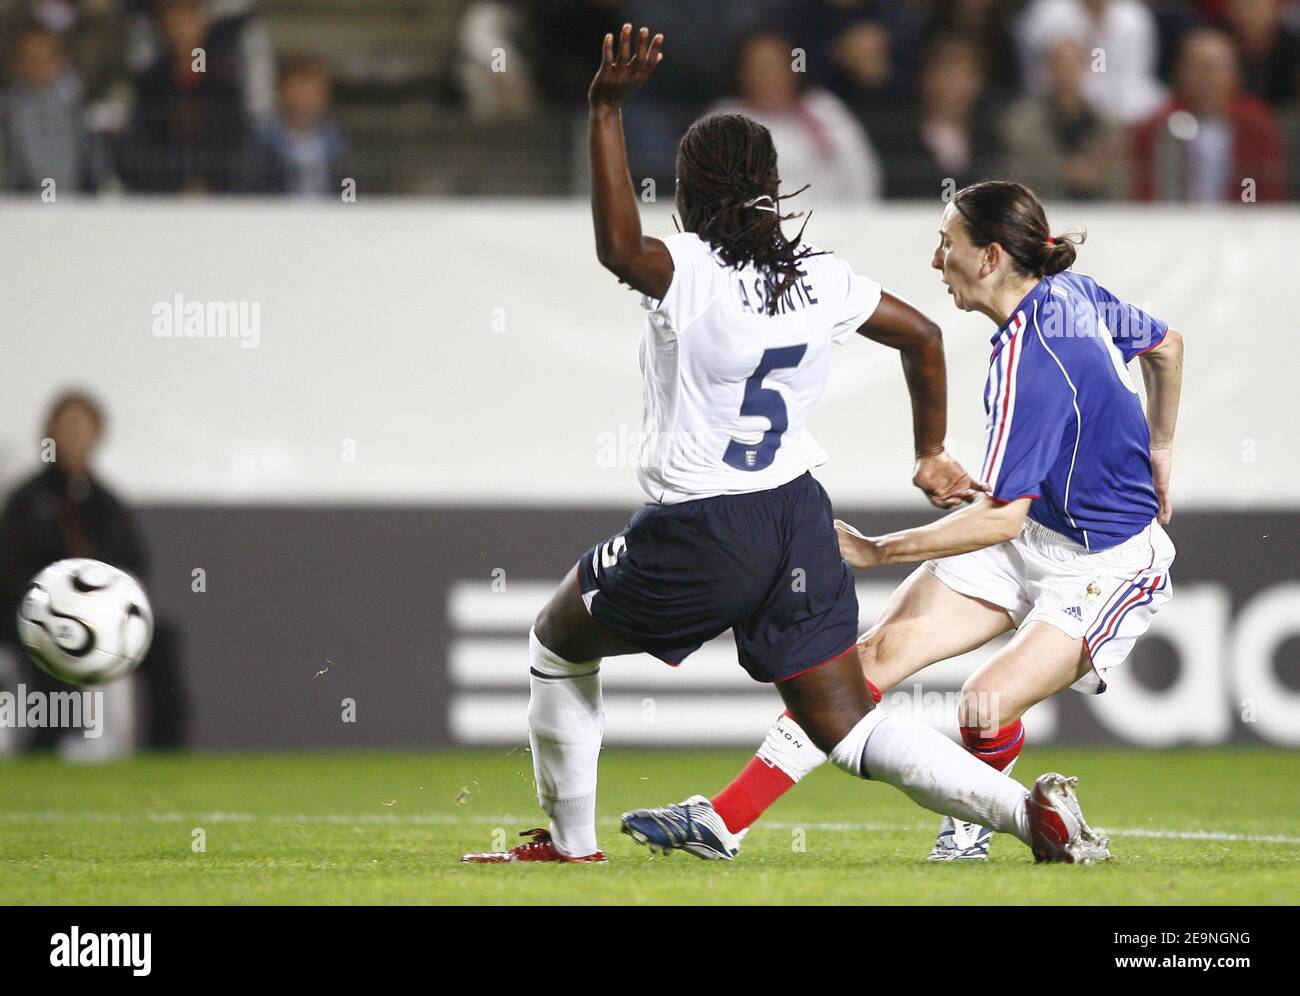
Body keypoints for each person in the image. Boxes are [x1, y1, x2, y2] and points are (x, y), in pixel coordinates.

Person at [460, 26, 1110, 866]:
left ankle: (572, 845)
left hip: (701, 527)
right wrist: (928, 451)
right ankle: (1033, 820)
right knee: (846, 723)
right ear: (770, 186)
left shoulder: (688, 268)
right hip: (799, 522)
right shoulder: (822, 277)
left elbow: (618, 246)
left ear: (693, 194)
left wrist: (605, 112)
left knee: (556, 639)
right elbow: (921, 338)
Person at [623, 180, 1183, 862]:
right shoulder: (1073, 297)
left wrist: (878, 550)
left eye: (947, 243)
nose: (934, 259)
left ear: (990, 258)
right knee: (866, 663)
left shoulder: (1030, 358)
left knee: (981, 706)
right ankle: (725, 820)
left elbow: (1002, 520)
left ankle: (976, 828)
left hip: (1104, 563)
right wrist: (1160, 447)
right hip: (1034, 533)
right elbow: (1167, 346)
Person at [0, 391, 190, 749]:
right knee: (57, 635)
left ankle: (167, 752)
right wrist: (59, 600)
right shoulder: (24, 500)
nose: (75, 436)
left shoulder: (108, 503)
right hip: (37, 615)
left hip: (103, 617)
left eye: (83, 427)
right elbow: (10, 572)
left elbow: (134, 566)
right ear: (50, 433)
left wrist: (110, 602)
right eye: (67, 426)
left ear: (98, 435)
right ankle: (48, 745)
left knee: (162, 638)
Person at [1132, 27, 1287, 202]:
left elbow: (1270, 188)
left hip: (1244, 221)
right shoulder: (1157, 126)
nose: (1209, 78)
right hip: (1173, 221)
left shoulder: (1258, 126)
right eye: (1201, 69)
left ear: (1236, 73)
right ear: (1182, 73)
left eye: (1217, 69)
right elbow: (1144, 189)